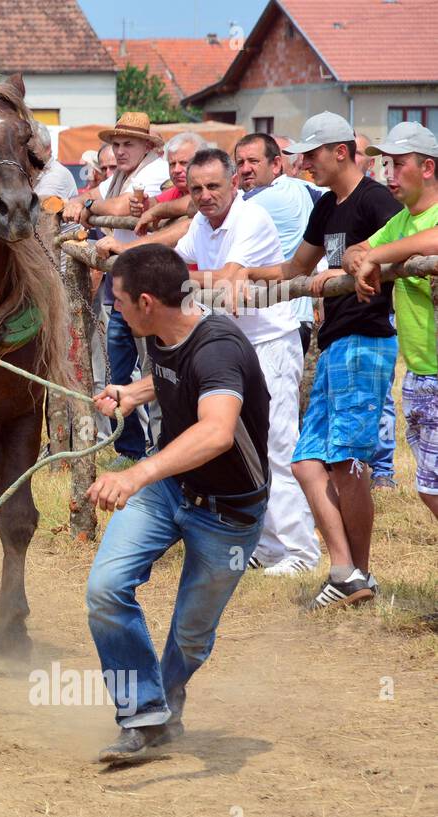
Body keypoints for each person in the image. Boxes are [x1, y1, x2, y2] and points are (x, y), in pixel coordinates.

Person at [86, 245, 269, 763]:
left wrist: (139, 472)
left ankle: (165, 704)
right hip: (170, 490)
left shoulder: (218, 347)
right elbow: (174, 376)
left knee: (190, 637)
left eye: (118, 300)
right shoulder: (165, 331)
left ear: (146, 301)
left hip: (228, 512)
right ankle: (144, 716)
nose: (114, 309)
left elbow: (216, 433)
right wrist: (134, 393)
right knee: (105, 589)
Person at [239, 113, 402, 602]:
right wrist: (243, 273)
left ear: (342, 151)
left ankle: (356, 574)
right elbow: (295, 267)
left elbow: (396, 255)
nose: (304, 163)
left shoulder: (376, 200)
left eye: (311, 154)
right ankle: (345, 571)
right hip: (333, 342)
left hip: (366, 340)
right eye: (302, 155)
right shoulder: (326, 205)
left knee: (347, 462)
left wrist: (345, 266)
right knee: (307, 464)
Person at [174, 148, 319, 576]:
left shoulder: (249, 219)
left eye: (213, 186)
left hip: (270, 344)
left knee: (278, 447)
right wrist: (138, 248)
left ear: (234, 184)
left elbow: (228, 275)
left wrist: (179, 279)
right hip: (235, 348)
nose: (204, 195)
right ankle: (268, 546)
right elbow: (179, 249)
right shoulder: (202, 222)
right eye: (196, 188)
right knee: (246, 451)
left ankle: (300, 551)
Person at [65, 113, 170, 466]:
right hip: (122, 288)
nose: (121, 151)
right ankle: (130, 449)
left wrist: (89, 207)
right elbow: (100, 194)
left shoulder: (155, 172)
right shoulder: (123, 174)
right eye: (117, 144)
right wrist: (84, 200)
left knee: (153, 372)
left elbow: (126, 207)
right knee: (118, 371)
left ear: (147, 146)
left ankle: (158, 450)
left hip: (151, 289)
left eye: (129, 144)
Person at [346, 122, 438, 522]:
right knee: (429, 488)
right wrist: (361, 258)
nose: (389, 174)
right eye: (386, 165)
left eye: (398, 165)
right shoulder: (401, 221)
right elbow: (358, 249)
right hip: (419, 373)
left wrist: (378, 256)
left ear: (428, 168)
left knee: (431, 489)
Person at [233, 133, 318, 354]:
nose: (245, 169)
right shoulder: (302, 188)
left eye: (254, 161)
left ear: (276, 164)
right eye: (240, 162)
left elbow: (214, 204)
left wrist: (158, 208)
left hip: (279, 323)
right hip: (287, 318)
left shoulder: (267, 198)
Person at [32, 124, 77, 200]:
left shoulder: (56, 175)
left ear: (47, 148)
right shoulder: (34, 174)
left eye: (32, 151)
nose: (26, 156)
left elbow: (39, 208)